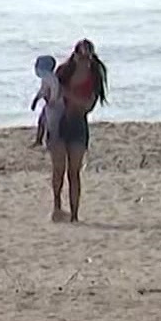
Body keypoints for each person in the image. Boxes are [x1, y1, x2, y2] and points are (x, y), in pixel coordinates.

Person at [50, 40, 106, 222]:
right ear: (74, 56)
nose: (84, 62)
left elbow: (87, 106)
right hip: (59, 122)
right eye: (81, 58)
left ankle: (74, 215)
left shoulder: (94, 77)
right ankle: (57, 207)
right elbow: (51, 97)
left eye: (87, 58)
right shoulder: (63, 72)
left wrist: (68, 94)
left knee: (74, 172)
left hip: (78, 124)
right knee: (58, 169)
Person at [29, 55, 61, 148]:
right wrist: (36, 99)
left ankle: (51, 142)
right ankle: (39, 140)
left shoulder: (52, 78)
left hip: (54, 105)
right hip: (49, 104)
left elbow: (55, 89)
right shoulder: (45, 78)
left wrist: (53, 100)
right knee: (42, 121)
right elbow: (43, 90)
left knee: (51, 125)